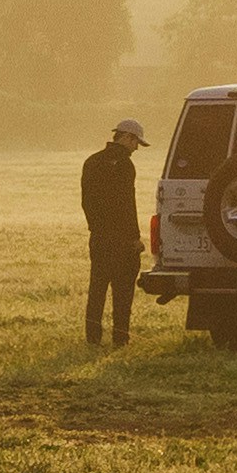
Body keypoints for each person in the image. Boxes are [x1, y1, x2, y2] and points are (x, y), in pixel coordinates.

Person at [81, 116, 151, 346]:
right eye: (135, 143)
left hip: (99, 237)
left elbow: (87, 203)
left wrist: (97, 228)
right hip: (122, 239)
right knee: (123, 291)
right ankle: (120, 337)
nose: (135, 148)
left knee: (97, 289)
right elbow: (126, 205)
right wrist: (134, 238)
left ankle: (93, 338)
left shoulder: (91, 162)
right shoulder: (126, 166)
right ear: (126, 137)